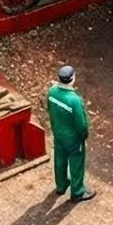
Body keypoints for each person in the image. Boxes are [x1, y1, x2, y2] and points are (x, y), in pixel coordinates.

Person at [46, 65, 95, 201]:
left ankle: (61, 186)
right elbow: (81, 124)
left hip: (58, 134)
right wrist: (84, 135)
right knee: (76, 163)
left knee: (59, 159)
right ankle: (78, 192)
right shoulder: (74, 100)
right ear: (72, 78)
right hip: (73, 139)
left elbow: (49, 110)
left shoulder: (52, 92)